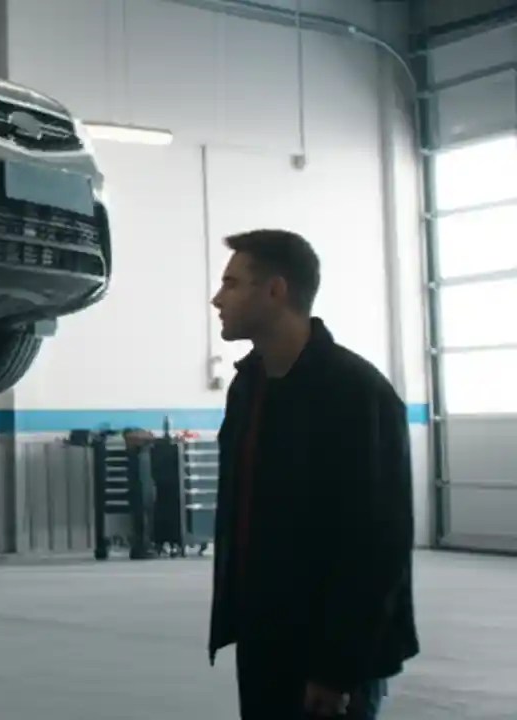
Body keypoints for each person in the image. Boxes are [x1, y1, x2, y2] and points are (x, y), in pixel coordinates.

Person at [206, 229, 419, 719]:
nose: (218, 299)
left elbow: (379, 542)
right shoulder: (249, 388)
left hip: (332, 655)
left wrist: (337, 668)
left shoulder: (357, 393)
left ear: (276, 290)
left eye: (232, 283)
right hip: (264, 637)